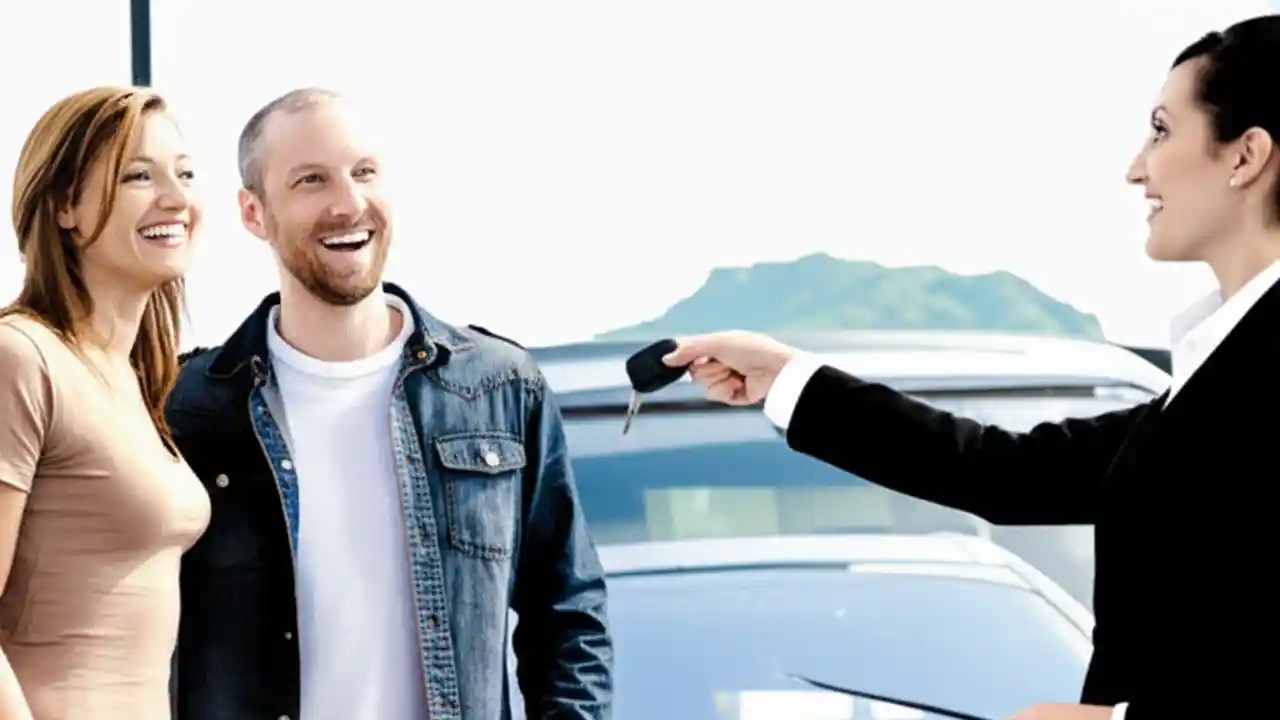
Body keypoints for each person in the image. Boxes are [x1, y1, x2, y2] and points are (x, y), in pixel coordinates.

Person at [661, 14, 1280, 720]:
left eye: (1162, 130)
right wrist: (789, 377)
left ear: (1244, 156)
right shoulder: (1216, 371)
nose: (1136, 166)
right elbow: (1005, 470)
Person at [165, 88, 613, 720]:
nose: (348, 203)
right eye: (311, 180)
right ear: (253, 213)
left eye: (363, 172)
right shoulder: (188, 407)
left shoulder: (499, 389)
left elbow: (569, 616)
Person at [0, 87, 209, 720]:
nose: (176, 198)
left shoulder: (138, 380)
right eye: (139, 175)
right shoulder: (22, 358)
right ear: (64, 205)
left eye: (185, 172)